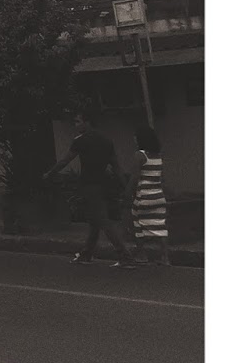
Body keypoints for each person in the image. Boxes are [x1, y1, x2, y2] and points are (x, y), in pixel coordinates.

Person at [45, 110, 137, 266]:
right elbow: (116, 167)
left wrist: (49, 173)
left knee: (102, 220)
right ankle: (86, 254)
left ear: (87, 122)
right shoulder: (107, 141)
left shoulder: (80, 140)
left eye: (78, 121)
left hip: (89, 185)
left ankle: (125, 257)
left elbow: (65, 161)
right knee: (94, 220)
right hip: (103, 184)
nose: (76, 125)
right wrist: (126, 187)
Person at [127, 125, 170, 266]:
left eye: (135, 136)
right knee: (160, 226)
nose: (134, 138)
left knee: (138, 225)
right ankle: (165, 257)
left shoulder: (140, 155)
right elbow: (162, 178)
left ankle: (141, 254)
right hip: (158, 196)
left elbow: (134, 178)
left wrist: (127, 193)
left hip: (143, 196)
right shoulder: (158, 156)